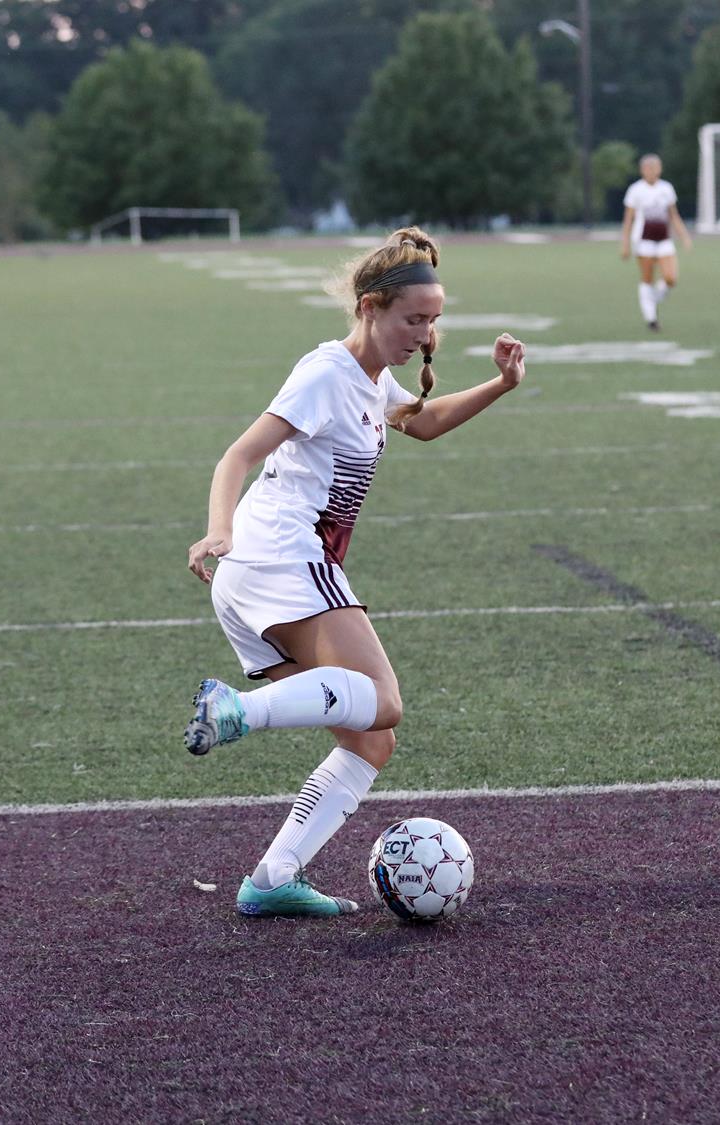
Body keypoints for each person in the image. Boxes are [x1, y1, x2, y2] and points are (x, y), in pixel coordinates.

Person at [181, 227, 529, 918]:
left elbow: (420, 422)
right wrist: (219, 528)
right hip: (279, 558)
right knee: (384, 699)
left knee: (372, 737)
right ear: (370, 307)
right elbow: (237, 456)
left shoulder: (372, 380)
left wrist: (502, 383)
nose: (425, 335)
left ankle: (272, 877)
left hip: (258, 575)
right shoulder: (325, 373)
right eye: (413, 319)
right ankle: (235, 709)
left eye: (433, 320)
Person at [619, 153, 691, 331]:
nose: (652, 171)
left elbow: (673, 215)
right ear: (642, 170)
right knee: (647, 278)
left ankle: (653, 299)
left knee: (670, 278)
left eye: (655, 167)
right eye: (648, 168)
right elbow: (628, 219)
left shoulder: (666, 188)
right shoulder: (636, 190)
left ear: (660, 169)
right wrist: (625, 243)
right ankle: (651, 318)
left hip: (664, 239)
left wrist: (684, 236)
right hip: (644, 240)